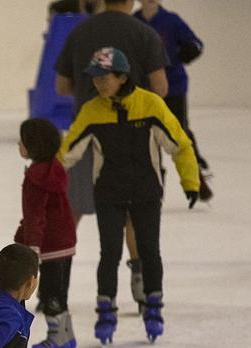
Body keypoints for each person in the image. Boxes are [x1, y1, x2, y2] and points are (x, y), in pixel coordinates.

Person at [60, 47, 199, 344]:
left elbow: (180, 144)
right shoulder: (92, 111)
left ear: (122, 77)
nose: (98, 83)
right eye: (94, 78)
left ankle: (153, 306)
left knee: (149, 250)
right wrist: (45, 178)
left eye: (103, 77)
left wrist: (191, 181)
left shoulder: (150, 105)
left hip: (146, 192)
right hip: (109, 193)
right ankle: (106, 308)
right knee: (109, 253)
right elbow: (67, 152)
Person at [54, 0, 169, 309]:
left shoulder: (80, 32)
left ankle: (55, 282)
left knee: (71, 210)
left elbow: (62, 84)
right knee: (133, 211)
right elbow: (160, 87)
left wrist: (89, 90)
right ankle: (142, 285)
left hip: (87, 133)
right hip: (134, 137)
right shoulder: (145, 34)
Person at [134, 0, 212, 201]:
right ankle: (155, 181)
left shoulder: (171, 20)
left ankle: (196, 177)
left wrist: (186, 52)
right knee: (147, 136)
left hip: (173, 87)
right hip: (144, 90)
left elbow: (196, 43)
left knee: (179, 132)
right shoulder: (134, 21)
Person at [14, 118, 77, 348]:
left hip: (49, 245)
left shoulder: (37, 177)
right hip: (64, 243)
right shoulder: (54, 168)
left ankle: (59, 339)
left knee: (51, 294)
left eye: (23, 141)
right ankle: (66, 337)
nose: (19, 144)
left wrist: (32, 246)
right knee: (58, 292)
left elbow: (36, 214)